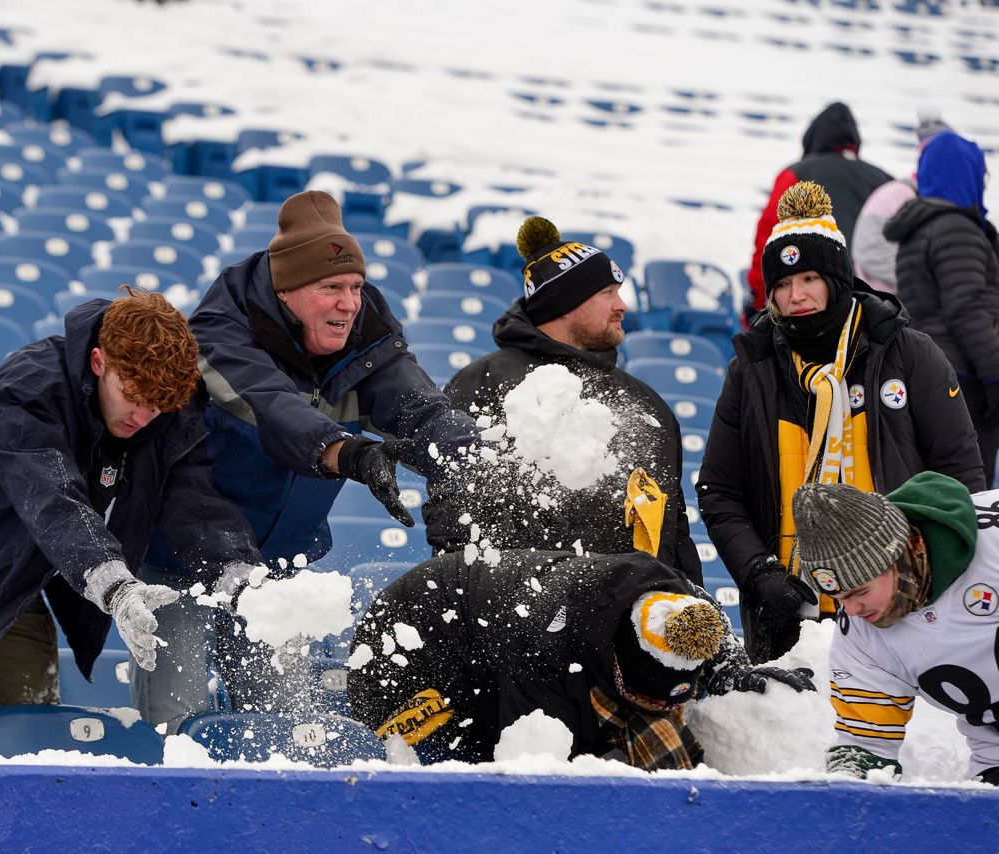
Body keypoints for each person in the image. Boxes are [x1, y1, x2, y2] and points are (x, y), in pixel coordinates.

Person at [0, 291, 265, 726]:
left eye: (157, 406)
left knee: (27, 726)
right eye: (132, 395)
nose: (142, 417)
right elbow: (51, 496)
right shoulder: (28, 386)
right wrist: (115, 585)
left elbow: (193, 500)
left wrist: (240, 573)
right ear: (99, 362)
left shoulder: (168, 405)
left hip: (12, 561)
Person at [133, 190, 481, 723]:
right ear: (286, 290)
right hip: (186, 554)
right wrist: (348, 454)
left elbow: (423, 413)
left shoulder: (366, 337)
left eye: (356, 287)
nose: (348, 303)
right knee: (178, 720)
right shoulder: (220, 333)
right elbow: (274, 408)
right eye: (331, 288)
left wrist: (485, 461)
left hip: (281, 561)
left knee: (283, 721)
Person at [699, 180, 985, 664]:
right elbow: (719, 491)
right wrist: (759, 572)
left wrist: (922, 569)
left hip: (906, 601)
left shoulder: (907, 352)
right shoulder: (752, 369)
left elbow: (960, 478)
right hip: (791, 614)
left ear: (837, 278)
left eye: (809, 277)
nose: (796, 295)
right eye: (783, 285)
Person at [347, 548, 815, 768]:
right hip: (406, 658)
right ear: (615, 662)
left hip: (491, 641)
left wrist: (733, 670)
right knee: (497, 759)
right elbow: (543, 757)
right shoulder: (542, 641)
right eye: (640, 695)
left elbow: (701, 614)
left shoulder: (663, 592)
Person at [425, 216, 701, 585]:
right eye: (607, 293)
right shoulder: (482, 384)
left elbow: (673, 530)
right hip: (518, 617)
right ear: (565, 304)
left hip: (627, 619)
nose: (622, 306)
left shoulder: (647, 403)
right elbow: (453, 518)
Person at [793, 472, 999, 785]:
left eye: (859, 592)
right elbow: (865, 745)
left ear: (897, 555)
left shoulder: (993, 547)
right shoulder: (860, 634)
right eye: (838, 599)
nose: (852, 611)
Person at [883, 130, 999, 485]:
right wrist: (996, 373)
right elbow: (966, 308)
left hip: (929, 373)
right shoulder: (956, 230)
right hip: (965, 380)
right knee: (970, 492)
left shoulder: (916, 232)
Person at [744, 102, 892, 325]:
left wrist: (757, 299)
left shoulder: (795, 173)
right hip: (875, 305)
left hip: (810, 307)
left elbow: (769, 240)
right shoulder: (884, 180)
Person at [849, 106, 953, 294]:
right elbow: (870, 252)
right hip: (887, 304)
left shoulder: (949, 205)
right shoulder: (895, 195)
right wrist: (929, 283)